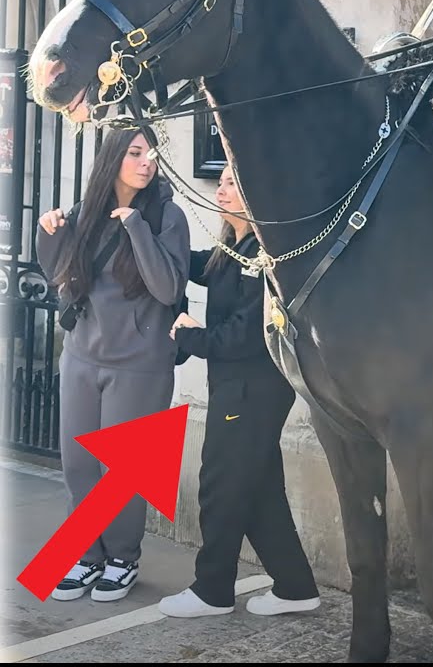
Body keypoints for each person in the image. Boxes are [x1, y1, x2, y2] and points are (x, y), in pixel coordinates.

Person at [157, 164, 322, 618]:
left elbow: (244, 336)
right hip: (242, 388)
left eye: (233, 181)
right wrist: (154, 243)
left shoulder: (267, 258)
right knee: (260, 491)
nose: (222, 188)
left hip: (254, 390)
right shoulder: (235, 248)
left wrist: (190, 334)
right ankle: (295, 588)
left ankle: (212, 590)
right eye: (223, 181)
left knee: (221, 485)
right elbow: (200, 268)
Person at [36, 126, 191, 602]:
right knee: (80, 463)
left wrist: (135, 226)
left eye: (152, 153)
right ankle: (87, 555)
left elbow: (167, 289)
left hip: (140, 363)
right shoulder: (84, 213)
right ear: (112, 158)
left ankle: (123, 556)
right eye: (135, 152)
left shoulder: (167, 215)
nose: (146, 162)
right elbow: (60, 277)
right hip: (82, 356)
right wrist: (46, 235)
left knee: (122, 469)